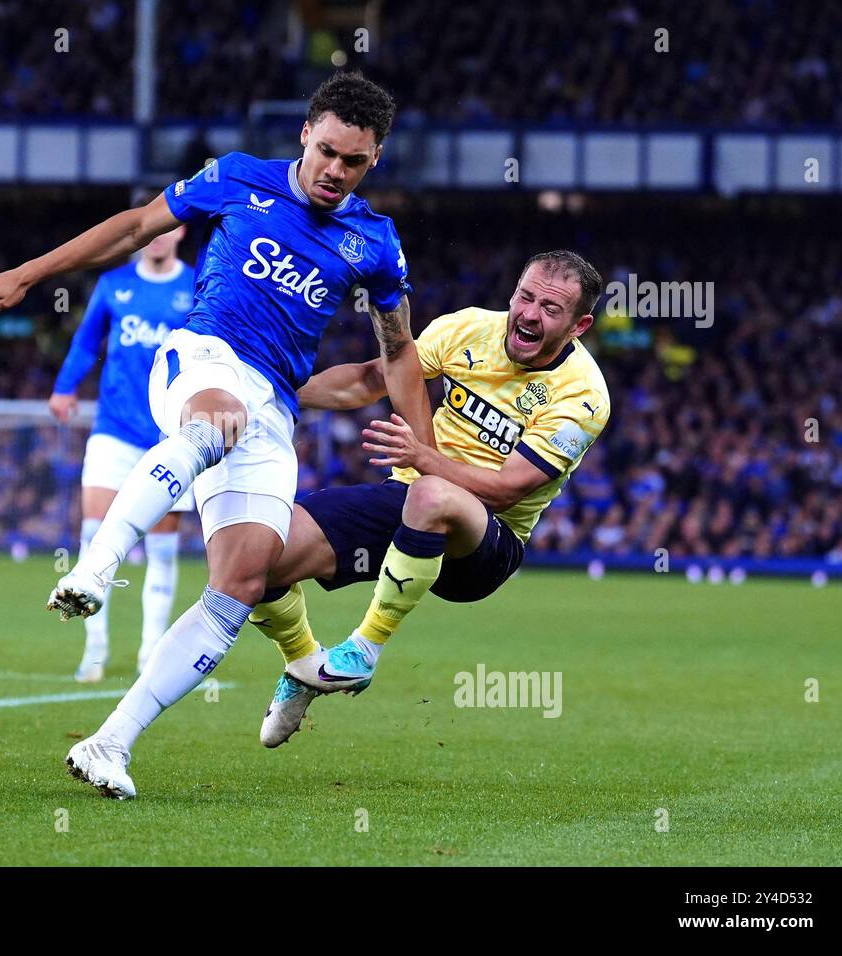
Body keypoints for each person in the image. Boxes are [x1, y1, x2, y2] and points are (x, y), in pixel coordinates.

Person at [0, 71, 428, 798]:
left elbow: (397, 351)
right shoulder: (239, 179)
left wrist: (425, 457)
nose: (337, 171)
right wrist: (28, 273)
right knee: (220, 416)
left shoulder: (374, 242)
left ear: (375, 160)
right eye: (329, 152)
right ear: (305, 133)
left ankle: (108, 744)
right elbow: (132, 227)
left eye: (357, 161)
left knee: (242, 581)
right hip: (201, 359)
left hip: (275, 409)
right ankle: (95, 567)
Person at [250, 251, 612, 745]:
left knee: (432, 493)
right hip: (409, 499)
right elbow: (370, 379)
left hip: (485, 544)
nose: (529, 314)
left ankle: (364, 649)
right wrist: (273, 391)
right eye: (525, 296)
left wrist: (422, 457)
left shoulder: (583, 396)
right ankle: (304, 665)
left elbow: (509, 489)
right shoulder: (467, 329)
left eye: (551, 309)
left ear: (579, 325)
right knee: (260, 553)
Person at [50, 224, 196, 682]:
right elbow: (87, 340)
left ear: (180, 233)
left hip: (172, 433)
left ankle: (150, 651)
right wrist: (64, 386)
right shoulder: (114, 285)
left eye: (166, 231)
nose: (156, 238)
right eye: (151, 231)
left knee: (162, 549)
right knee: (95, 538)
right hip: (113, 429)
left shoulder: (196, 286)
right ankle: (94, 650)